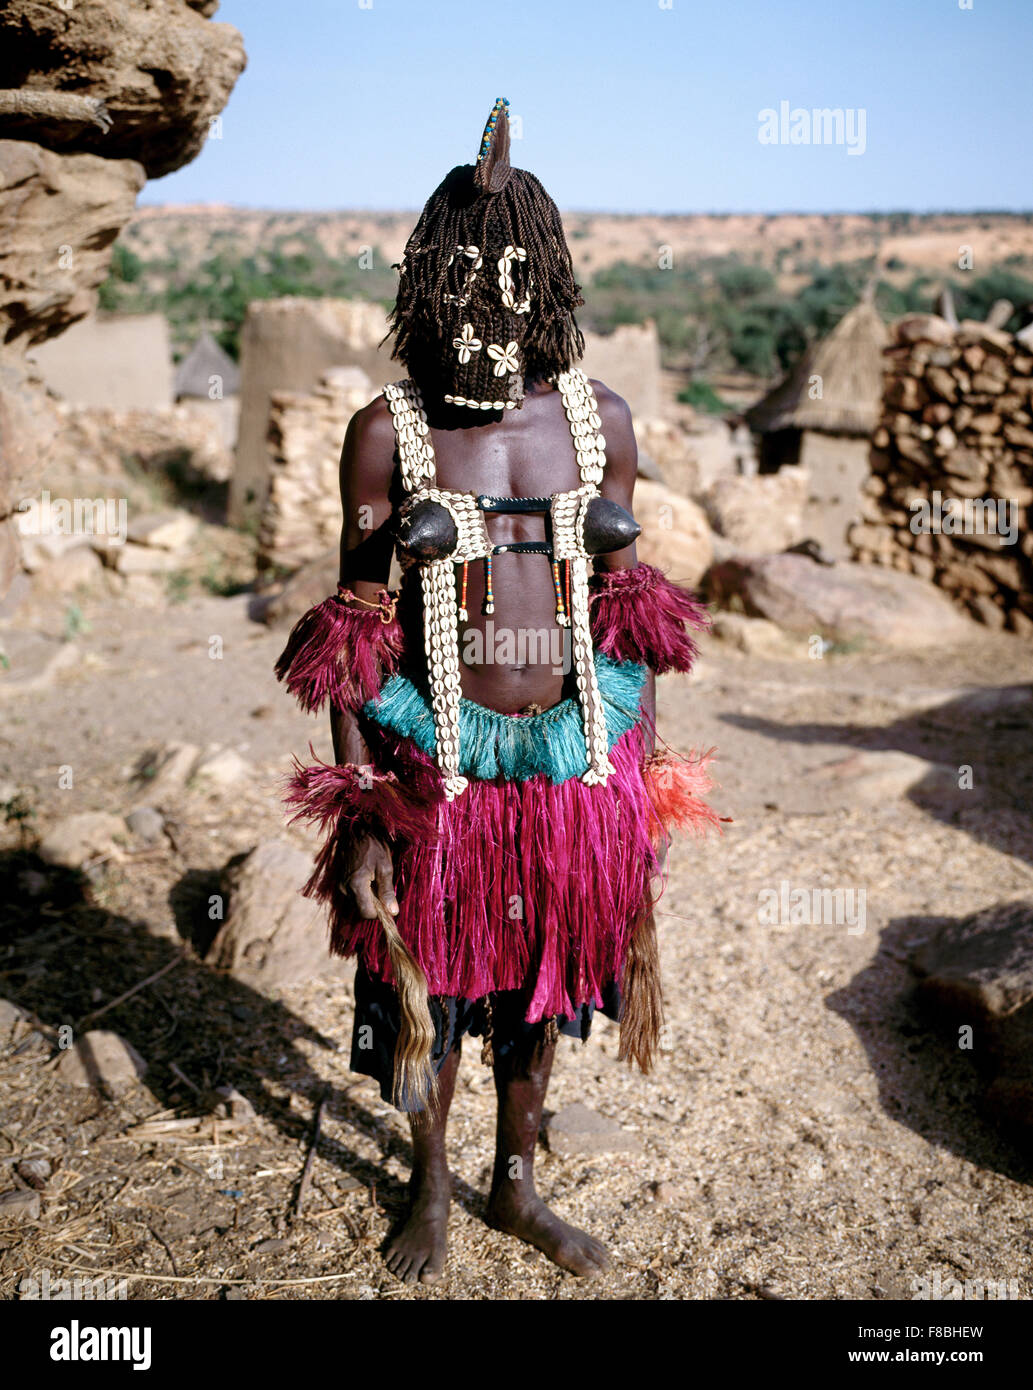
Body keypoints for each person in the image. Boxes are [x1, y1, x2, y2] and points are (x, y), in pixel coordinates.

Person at [276, 99, 720, 1284]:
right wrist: (365, 802)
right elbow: (352, 629)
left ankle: (516, 1181)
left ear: (551, 277)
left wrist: (643, 790)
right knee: (435, 978)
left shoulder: (598, 423)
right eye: (467, 267)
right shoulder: (389, 432)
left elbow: (630, 621)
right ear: (429, 273)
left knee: (546, 978)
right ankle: (425, 1185)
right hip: (440, 766)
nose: (490, 291)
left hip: (577, 760)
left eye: (513, 268)